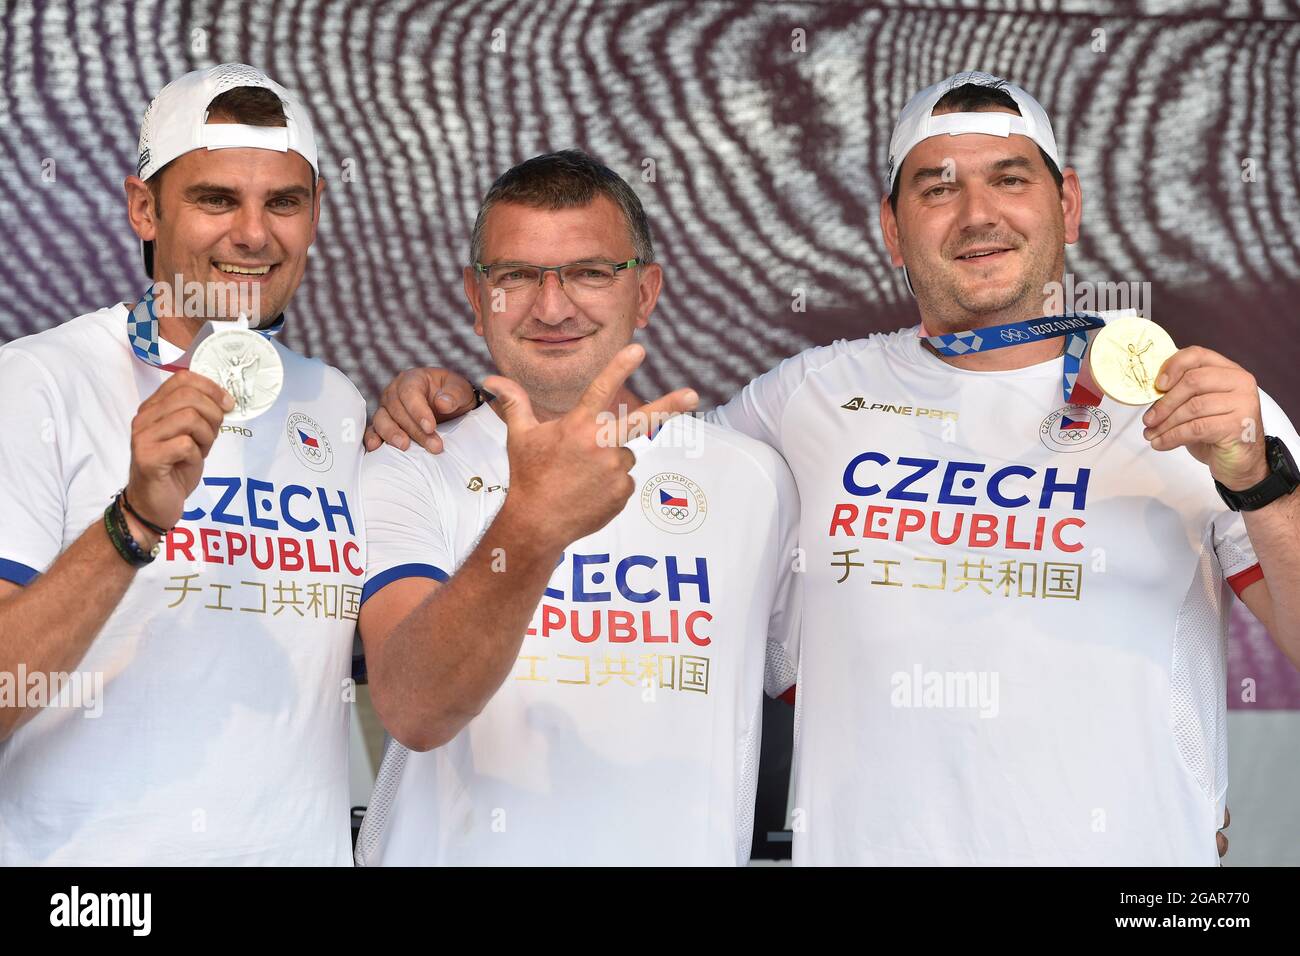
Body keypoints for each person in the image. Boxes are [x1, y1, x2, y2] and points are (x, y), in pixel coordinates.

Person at [369, 73, 1299, 865]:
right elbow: (622, 455)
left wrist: (1260, 478)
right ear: (893, 231)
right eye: (936, 188)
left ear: (1067, 205)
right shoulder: (805, 401)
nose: (977, 214)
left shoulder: (1201, 404)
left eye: (1009, 179)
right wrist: (454, 396)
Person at [352, 150, 801, 866]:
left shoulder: (750, 479)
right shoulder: (410, 458)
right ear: (476, 297)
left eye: (591, 273)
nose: (553, 307)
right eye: (516, 277)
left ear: (646, 292)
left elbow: (844, 701)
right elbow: (415, 708)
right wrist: (533, 521)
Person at [0, 64, 367, 864]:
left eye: (283, 202)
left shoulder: (338, 405)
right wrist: (130, 523)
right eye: (215, 199)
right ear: (143, 208)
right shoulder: (37, 381)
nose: (253, 234)